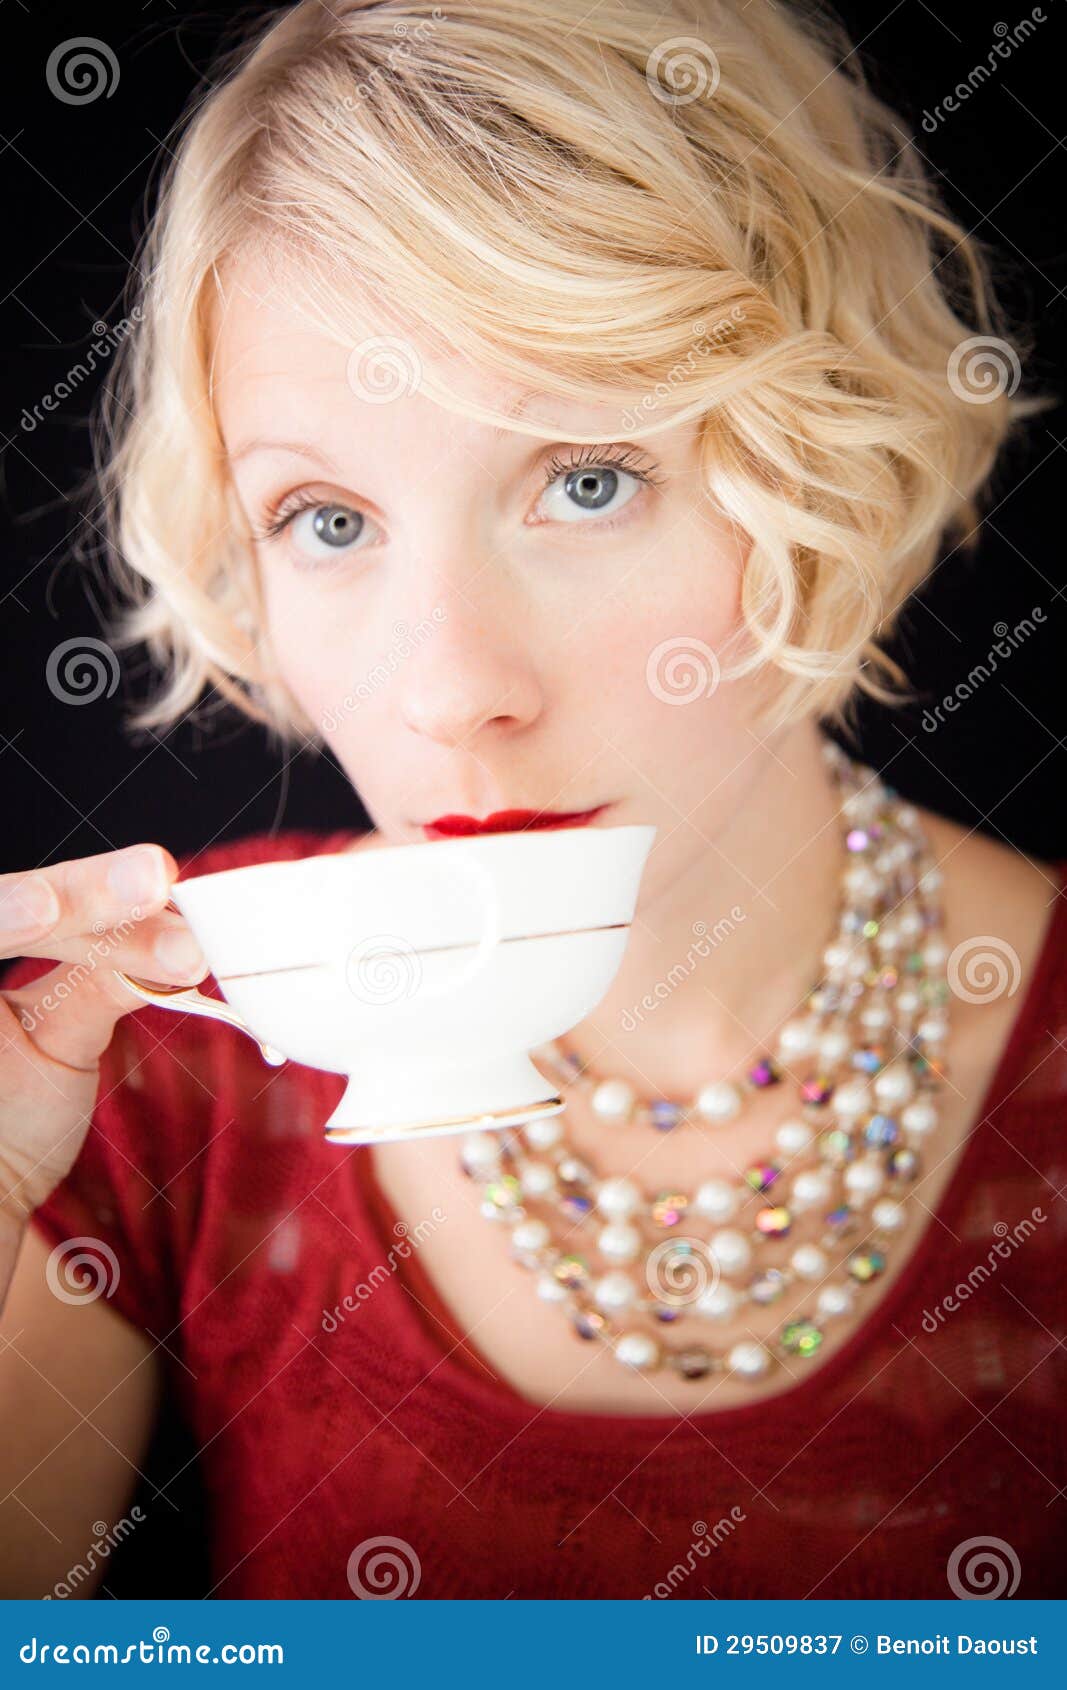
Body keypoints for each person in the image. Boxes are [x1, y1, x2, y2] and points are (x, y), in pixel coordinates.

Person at [0, 0, 1063, 1600]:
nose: (451, 688)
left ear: (820, 468)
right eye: (328, 518)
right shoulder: (142, 1062)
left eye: (587, 480)